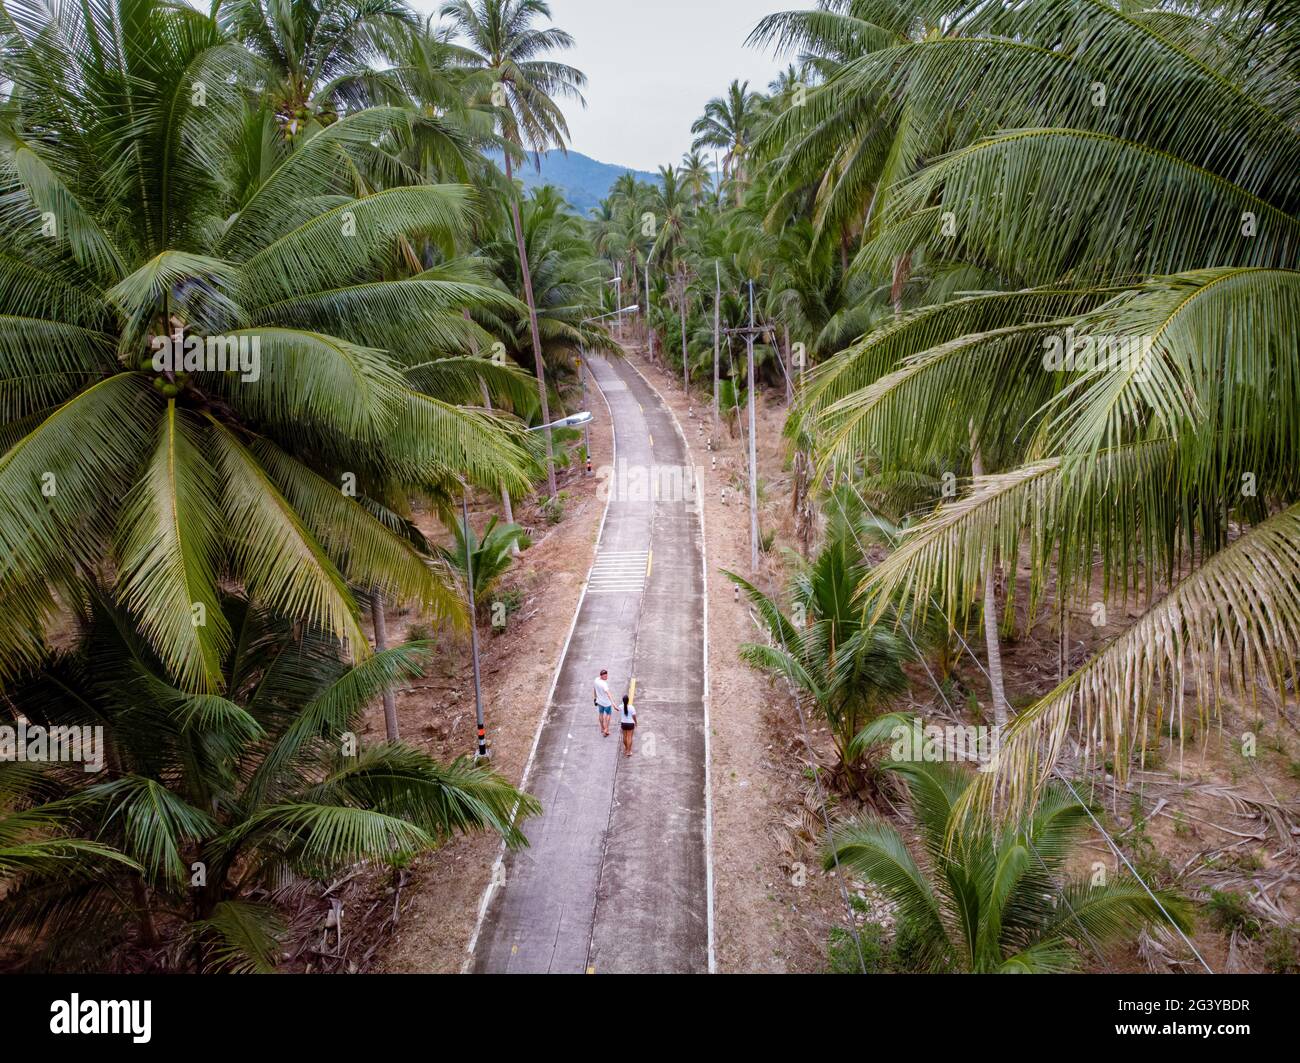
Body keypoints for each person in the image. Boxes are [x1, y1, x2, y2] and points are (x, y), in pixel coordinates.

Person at [594, 669, 614, 736]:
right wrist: (613, 703)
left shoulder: (596, 680)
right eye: (605, 676)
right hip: (606, 703)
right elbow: (608, 694)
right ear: (601, 676)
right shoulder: (604, 684)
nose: (606, 677)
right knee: (608, 714)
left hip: (599, 701)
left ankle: (602, 728)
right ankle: (606, 729)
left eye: (606, 675)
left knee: (601, 714)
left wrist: (595, 698)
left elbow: (594, 689)